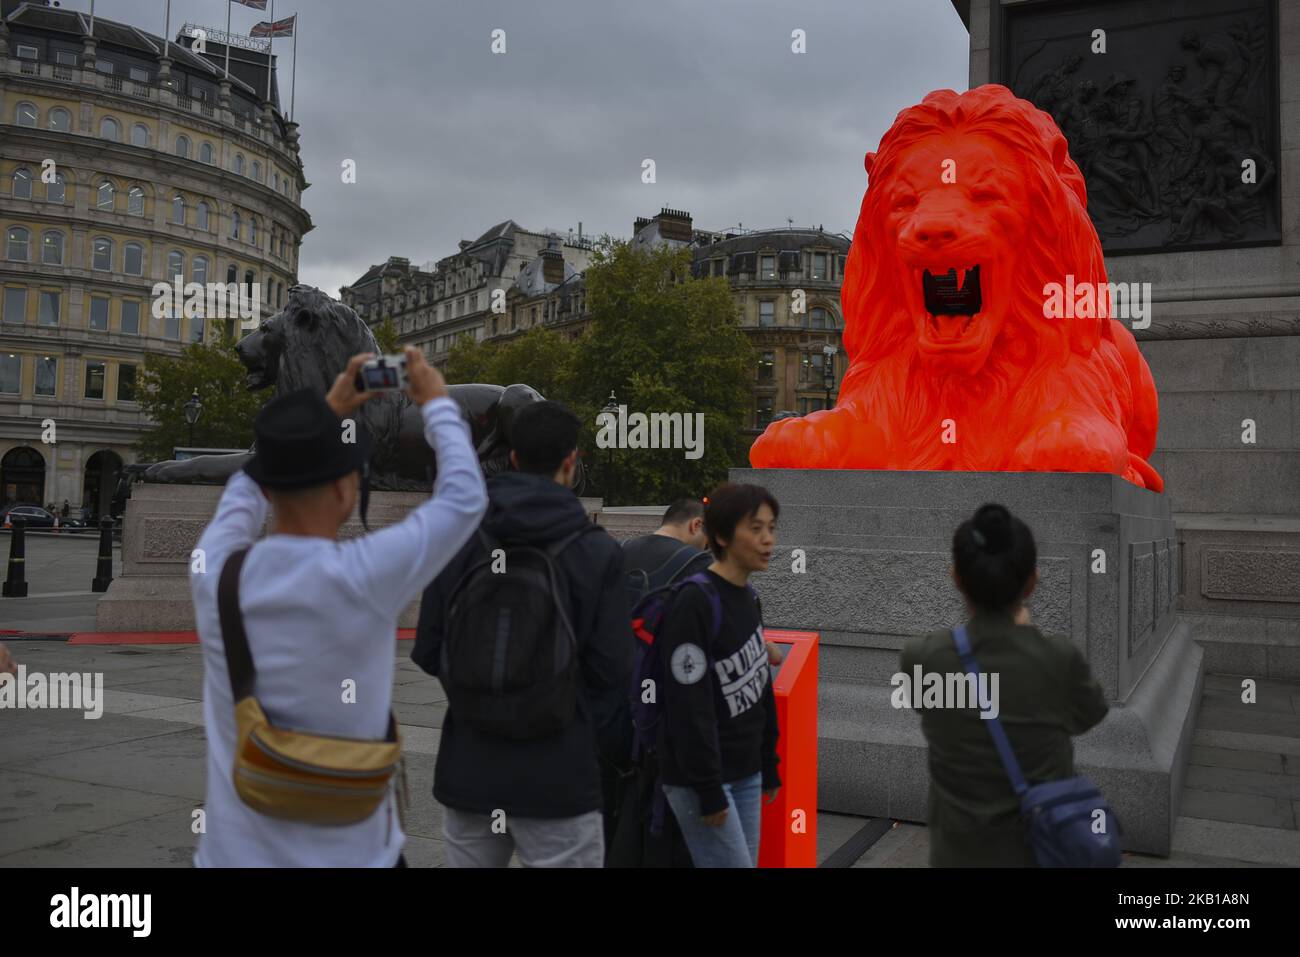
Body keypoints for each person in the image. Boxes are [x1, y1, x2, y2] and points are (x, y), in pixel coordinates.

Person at [189, 347, 487, 867]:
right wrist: (436, 400)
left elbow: (242, 492)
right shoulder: (364, 574)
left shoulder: (213, 573)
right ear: (346, 489)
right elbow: (463, 498)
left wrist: (318, 417)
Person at [412, 400, 633, 868]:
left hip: (469, 768)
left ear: (512, 458)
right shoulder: (597, 553)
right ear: (571, 462)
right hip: (559, 777)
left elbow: (429, 649)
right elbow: (613, 675)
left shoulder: (461, 535)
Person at [900, 503, 1109, 867]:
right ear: (1032, 581)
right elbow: (1089, 715)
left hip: (957, 855)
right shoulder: (1059, 660)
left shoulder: (923, 658)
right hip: (1039, 853)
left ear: (956, 578)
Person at [655, 482, 782, 868]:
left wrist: (768, 760)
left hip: (745, 772)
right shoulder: (694, 601)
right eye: (755, 528)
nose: (767, 540)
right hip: (702, 779)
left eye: (771, 528)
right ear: (723, 535)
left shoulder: (750, 598)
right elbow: (686, 705)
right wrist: (708, 788)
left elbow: (760, 687)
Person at [622, 499, 713, 592]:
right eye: (707, 545)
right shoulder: (697, 561)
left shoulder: (621, 548)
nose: (704, 548)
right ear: (696, 525)